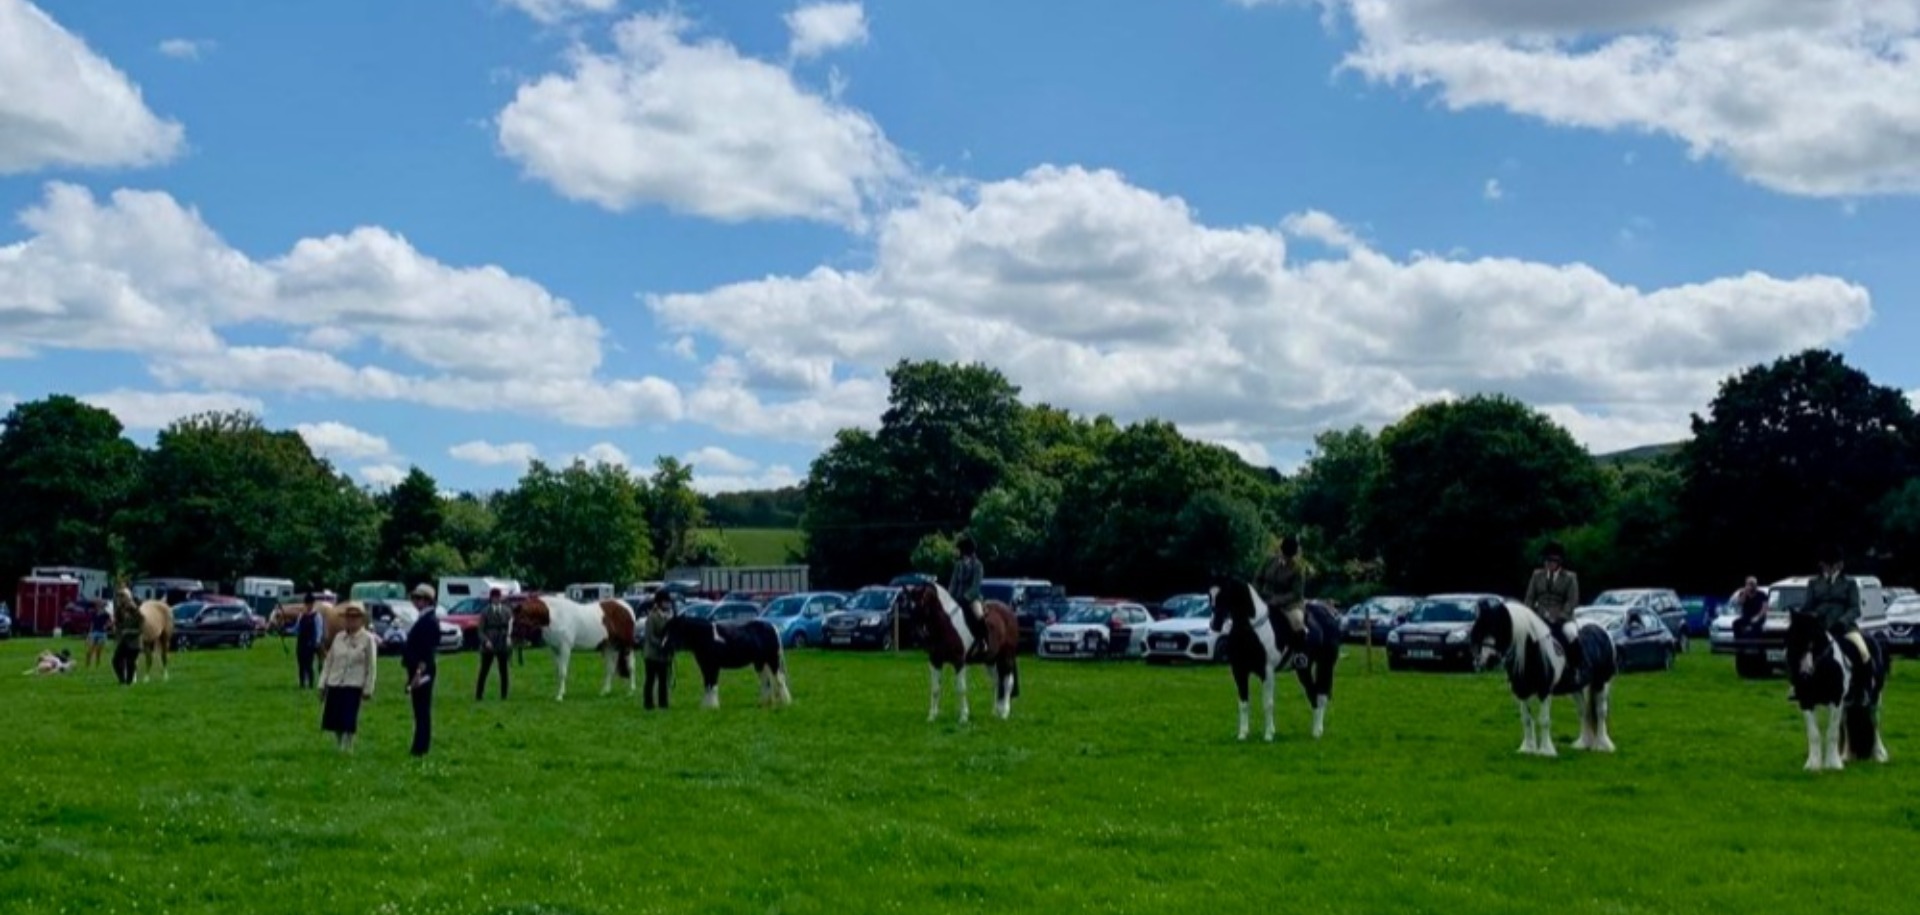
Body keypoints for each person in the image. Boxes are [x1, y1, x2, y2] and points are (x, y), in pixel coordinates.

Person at [319, 604, 377, 753]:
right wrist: (322, 683)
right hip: (335, 681)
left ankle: (348, 745)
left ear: (361, 620)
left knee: (348, 718)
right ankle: (339, 745)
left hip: (353, 684)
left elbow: (371, 666)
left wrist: (368, 687)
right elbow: (329, 661)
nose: (351, 621)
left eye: (354, 618)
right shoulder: (339, 637)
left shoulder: (368, 639)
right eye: (348, 618)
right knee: (334, 718)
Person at [1802, 547, 1866, 673]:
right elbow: (1807, 607)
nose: (1831, 569)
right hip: (1819, 629)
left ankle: (1864, 685)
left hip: (1844, 628)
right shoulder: (1813, 583)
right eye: (1827, 565)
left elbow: (1855, 608)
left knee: (1863, 651)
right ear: (1822, 565)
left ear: (1840, 565)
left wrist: (1842, 622)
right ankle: (1796, 685)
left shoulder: (1849, 583)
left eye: (1835, 565)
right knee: (1799, 651)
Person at [1524, 542, 1582, 666]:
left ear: (1558, 562)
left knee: (1571, 633)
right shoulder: (1536, 575)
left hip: (1561, 618)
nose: (1548, 564)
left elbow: (1572, 601)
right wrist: (1529, 614)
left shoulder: (1570, 578)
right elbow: (1529, 598)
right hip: (1539, 616)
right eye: (1547, 561)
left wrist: (1561, 617)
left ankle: (1576, 666)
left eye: (1552, 561)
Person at [403, 584, 440, 757]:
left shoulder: (429, 621)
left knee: (422, 710)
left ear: (427, 601)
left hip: (422, 670)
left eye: (418, 598)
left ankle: (421, 747)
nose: (415, 602)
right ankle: (419, 745)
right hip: (417, 669)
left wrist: (418, 673)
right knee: (419, 710)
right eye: (414, 598)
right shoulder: (424, 619)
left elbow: (427, 650)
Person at [1255, 535, 1308, 637]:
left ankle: (1299, 649)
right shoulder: (1269, 561)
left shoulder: (1298, 569)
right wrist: (1257, 593)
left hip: (1290, 605)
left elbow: (1296, 593)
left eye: (1288, 557)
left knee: (1297, 621)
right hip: (1266, 598)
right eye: (1283, 555)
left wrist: (1277, 600)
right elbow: (1258, 578)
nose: (1284, 559)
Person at [949, 535, 987, 647]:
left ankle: (982, 640)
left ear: (965, 550)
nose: (958, 552)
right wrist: (950, 596)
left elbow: (976, 585)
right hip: (957, 598)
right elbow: (953, 583)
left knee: (978, 615)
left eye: (960, 550)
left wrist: (966, 597)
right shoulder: (958, 565)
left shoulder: (978, 565)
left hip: (972, 598)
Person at [476, 588, 513, 701]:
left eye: (498, 597)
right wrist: (485, 641)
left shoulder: (507, 611)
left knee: (504, 671)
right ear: (491, 598)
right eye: (494, 597)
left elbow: (510, 626)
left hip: (502, 641)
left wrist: (508, 637)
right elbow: (480, 630)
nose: (497, 599)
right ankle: (479, 694)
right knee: (484, 670)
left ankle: (504, 695)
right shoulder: (485, 611)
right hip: (490, 641)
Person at [642, 591, 675, 710]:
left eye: (668, 602)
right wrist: (662, 645)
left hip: (663, 656)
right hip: (652, 654)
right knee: (650, 680)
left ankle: (663, 703)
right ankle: (648, 703)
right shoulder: (652, 617)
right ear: (660, 603)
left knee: (663, 680)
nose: (668, 604)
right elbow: (650, 637)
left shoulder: (669, 616)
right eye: (665, 602)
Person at [111, 588, 143, 686]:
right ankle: (122, 680)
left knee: (130, 662)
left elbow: (141, 627)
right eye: (119, 597)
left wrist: (129, 631)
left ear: (127, 597)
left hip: (134, 642)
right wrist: (116, 627)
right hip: (124, 640)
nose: (120, 599)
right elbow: (119, 624)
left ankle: (129, 683)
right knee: (116, 661)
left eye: (122, 596)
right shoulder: (120, 609)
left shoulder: (134, 609)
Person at [293, 593, 324, 690]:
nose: (308, 606)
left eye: (310, 604)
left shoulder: (317, 616)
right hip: (301, 642)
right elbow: (297, 629)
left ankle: (310, 683)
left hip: (310, 643)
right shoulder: (301, 615)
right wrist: (286, 631)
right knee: (301, 663)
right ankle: (302, 683)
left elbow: (319, 629)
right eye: (307, 604)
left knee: (309, 664)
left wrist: (317, 641)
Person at [1732, 576, 1768, 641]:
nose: (1750, 586)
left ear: (1755, 585)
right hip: (1747, 616)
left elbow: (1764, 609)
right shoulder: (1743, 594)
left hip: (1758, 616)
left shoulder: (1762, 594)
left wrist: (1758, 617)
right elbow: (1740, 603)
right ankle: (1739, 642)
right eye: (1748, 584)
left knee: (1756, 626)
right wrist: (1745, 592)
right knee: (1736, 623)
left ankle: (1754, 643)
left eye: (1751, 584)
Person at [86, 600, 112, 669]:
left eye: (101, 605)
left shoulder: (106, 614)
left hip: (102, 633)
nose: (99, 606)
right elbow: (92, 624)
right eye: (98, 605)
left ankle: (97, 664)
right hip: (94, 632)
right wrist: (89, 633)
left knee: (98, 650)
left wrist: (106, 626)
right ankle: (87, 664)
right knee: (90, 649)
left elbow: (110, 622)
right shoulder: (94, 613)